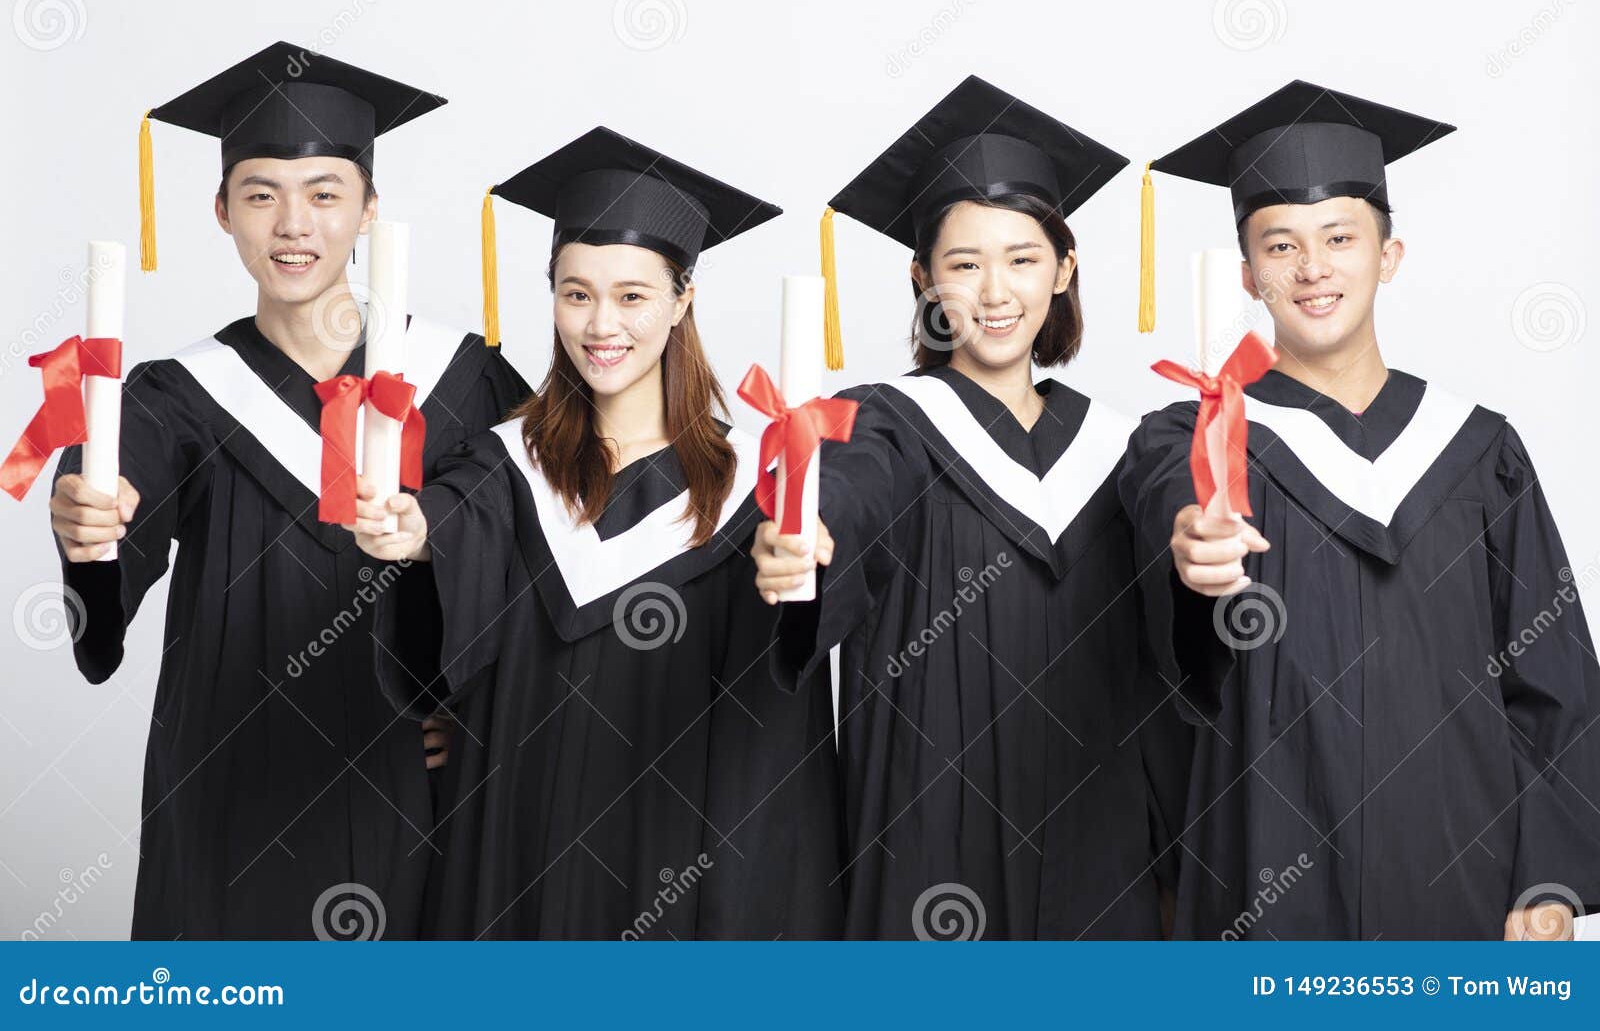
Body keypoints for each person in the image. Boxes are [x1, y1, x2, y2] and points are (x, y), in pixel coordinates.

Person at [47, 41, 529, 939]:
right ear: (222, 211)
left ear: (370, 210)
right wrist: (87, 514)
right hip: (236, 779)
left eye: (325, 194)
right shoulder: (180, 395)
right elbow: (115, 473)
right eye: (261, 195)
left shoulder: (465, 380)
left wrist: (479, 718)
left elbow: (535, 553)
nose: (293, 226)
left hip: (411, 784)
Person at [1122, 79, 1600, 940]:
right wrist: (1191, 550)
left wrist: (1550, 880)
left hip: (1467, 874)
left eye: (1340, 238)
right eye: (1281, 245)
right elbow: (1169, 541)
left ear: (1389, 255)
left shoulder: (1478, 449)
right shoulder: (1191, 440)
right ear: (1248, 276)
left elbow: (1553, 678)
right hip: (1265, 876)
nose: (1312, 269)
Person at [348, 127, 843, 939]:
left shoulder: (757, 483)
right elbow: (452, 518)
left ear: (683, 300)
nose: (601, 324)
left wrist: (802, 569)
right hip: (527, 838)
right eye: (576, 294)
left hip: (686, 849)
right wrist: (412, 532)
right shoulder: (508, 464)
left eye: (632, 296)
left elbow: (782, 693)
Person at [752, 76, 1190, 939]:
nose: (995, 293)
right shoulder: (883, 425)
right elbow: (847, 491)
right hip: (928, 830)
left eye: (1022, 259)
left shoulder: (1127, 449)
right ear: (923, 278)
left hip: (1100, 841)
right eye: (963, 264)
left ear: (1064, 269)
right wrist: (803, 538)